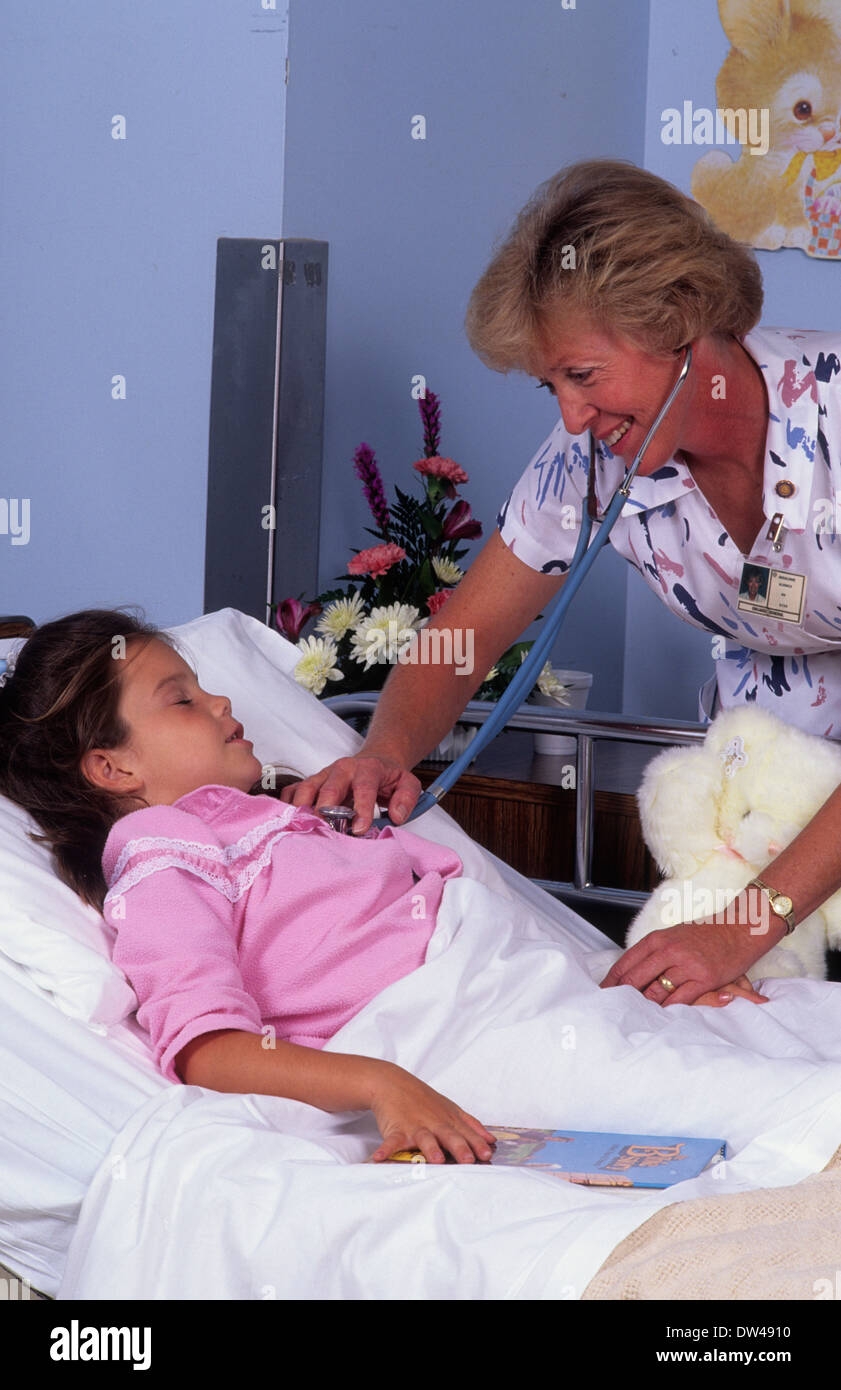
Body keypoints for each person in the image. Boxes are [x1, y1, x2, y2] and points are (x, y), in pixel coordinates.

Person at [283, 157, 841, 1010]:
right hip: (769, 809)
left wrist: (741, 927)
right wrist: (384, 753)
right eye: (551, 386)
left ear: (682, 324)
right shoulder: (587, 458)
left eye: (583, 376)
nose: (570, 418)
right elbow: (461, 640)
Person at [0, 608, 497, 1166]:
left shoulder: (282, 810)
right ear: (112, 768)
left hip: (507, 983)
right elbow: (207, 1049)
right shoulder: (162, 841)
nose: (222, 703)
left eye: (204, 687)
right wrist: (383, 1085)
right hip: (448, 1037)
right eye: (182, 699)